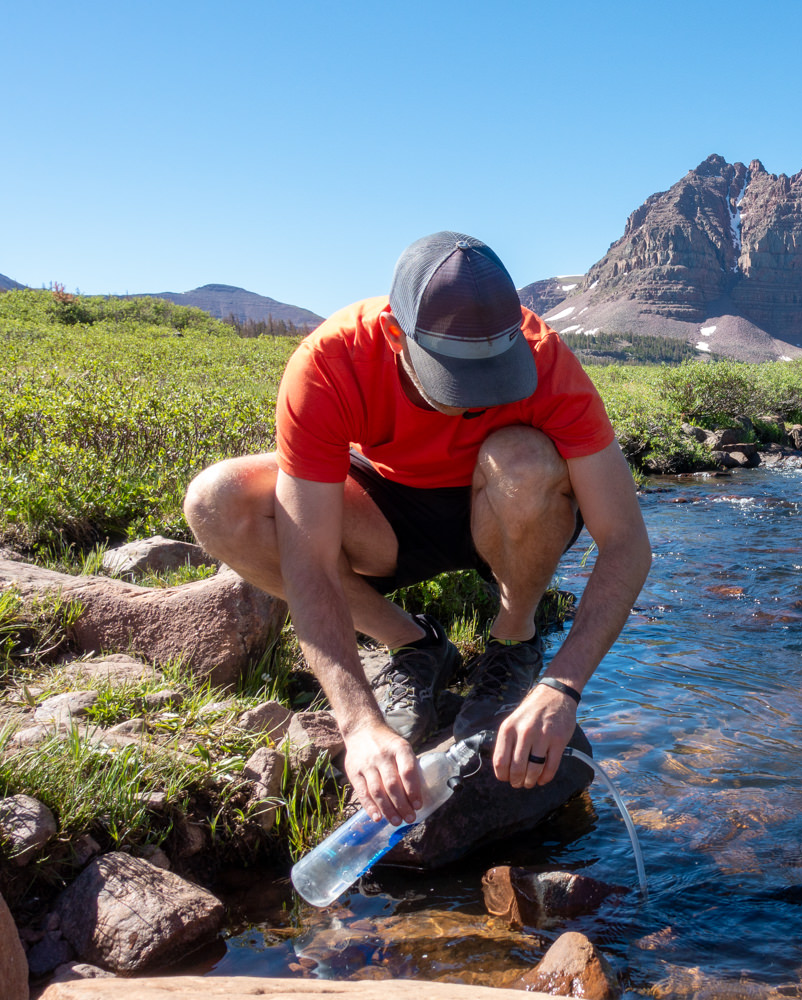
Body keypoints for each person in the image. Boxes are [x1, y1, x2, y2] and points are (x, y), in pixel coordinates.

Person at [184, 231, 652, 828]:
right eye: (456, 378)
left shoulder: (545, 355)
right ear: (397, 336)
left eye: (494, 376)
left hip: (504, 508)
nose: (476, 399)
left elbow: (626, 541)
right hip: (385, 513)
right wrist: (359, 725)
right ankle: (415, 646)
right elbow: (311, 562)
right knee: (218, 500)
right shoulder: (332, 361)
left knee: (525, 459)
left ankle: (514, 642)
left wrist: (563, 685)